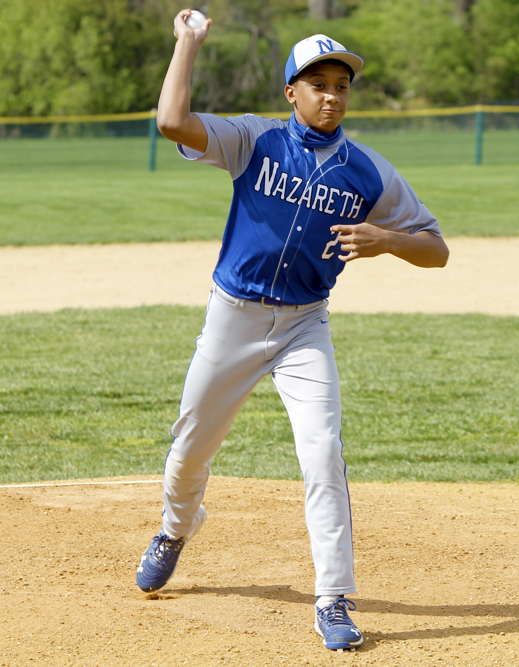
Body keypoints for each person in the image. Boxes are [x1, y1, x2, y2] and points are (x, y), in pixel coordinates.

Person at [135, 9, 449, 652]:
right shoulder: (254, 141)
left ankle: (333, 597)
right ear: (291, 92)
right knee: (191, 447)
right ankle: (174, 528)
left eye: (341, 84)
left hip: (306, 326)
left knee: (322, 456)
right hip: (234, 317)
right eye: (318, 83)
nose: (332, 94)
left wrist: (387, 239)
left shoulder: (369, 172)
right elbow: (172, 122)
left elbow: (436, 248)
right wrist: (187, 43)